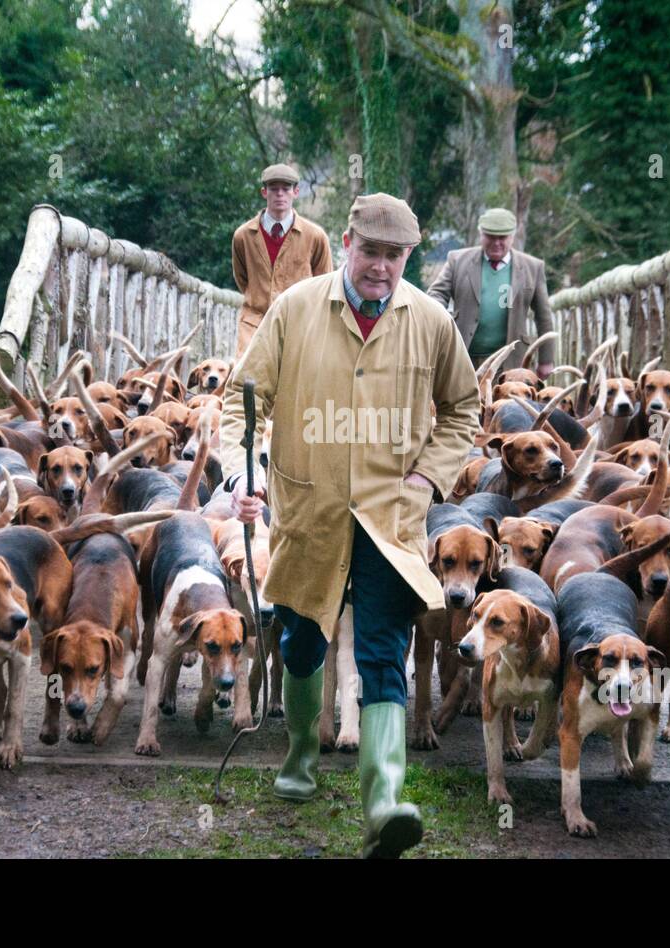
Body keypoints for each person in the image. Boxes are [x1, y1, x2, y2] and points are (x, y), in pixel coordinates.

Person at [220, 193, 480, 858]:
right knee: (303, 643)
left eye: (396, 256)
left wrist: (427, 477)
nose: (383, 268)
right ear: (346, 243)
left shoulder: (429, 320)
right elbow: (242, 400)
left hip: (390, 521)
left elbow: (463, 408)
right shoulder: (297, 308)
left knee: (383, 654)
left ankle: (383, 802)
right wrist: (245, 472)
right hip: (310, 512)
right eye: (372, 252)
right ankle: (302, 750)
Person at [427, 207, 554, 376]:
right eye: (490, 237)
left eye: (502, 238)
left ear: (512, 236)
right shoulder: (457, 260)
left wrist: (546, 360)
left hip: (510, 361)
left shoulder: (533, 268)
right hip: (463, 356)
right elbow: (437, 294)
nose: (496, 243)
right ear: (481, 234)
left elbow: (543, 316)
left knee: (506, 403)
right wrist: (438, 314)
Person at [230, 163, 332, 357]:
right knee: (247, 380)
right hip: (254, 322)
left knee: (294, 380)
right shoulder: (243, 236)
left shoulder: (315, 236)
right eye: (274, 189)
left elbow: (324, 283)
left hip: (300, 324)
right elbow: (243, 278)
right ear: (264, 192)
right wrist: (260, 295)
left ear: (296, 192)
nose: (279, 194)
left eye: (285, 189)